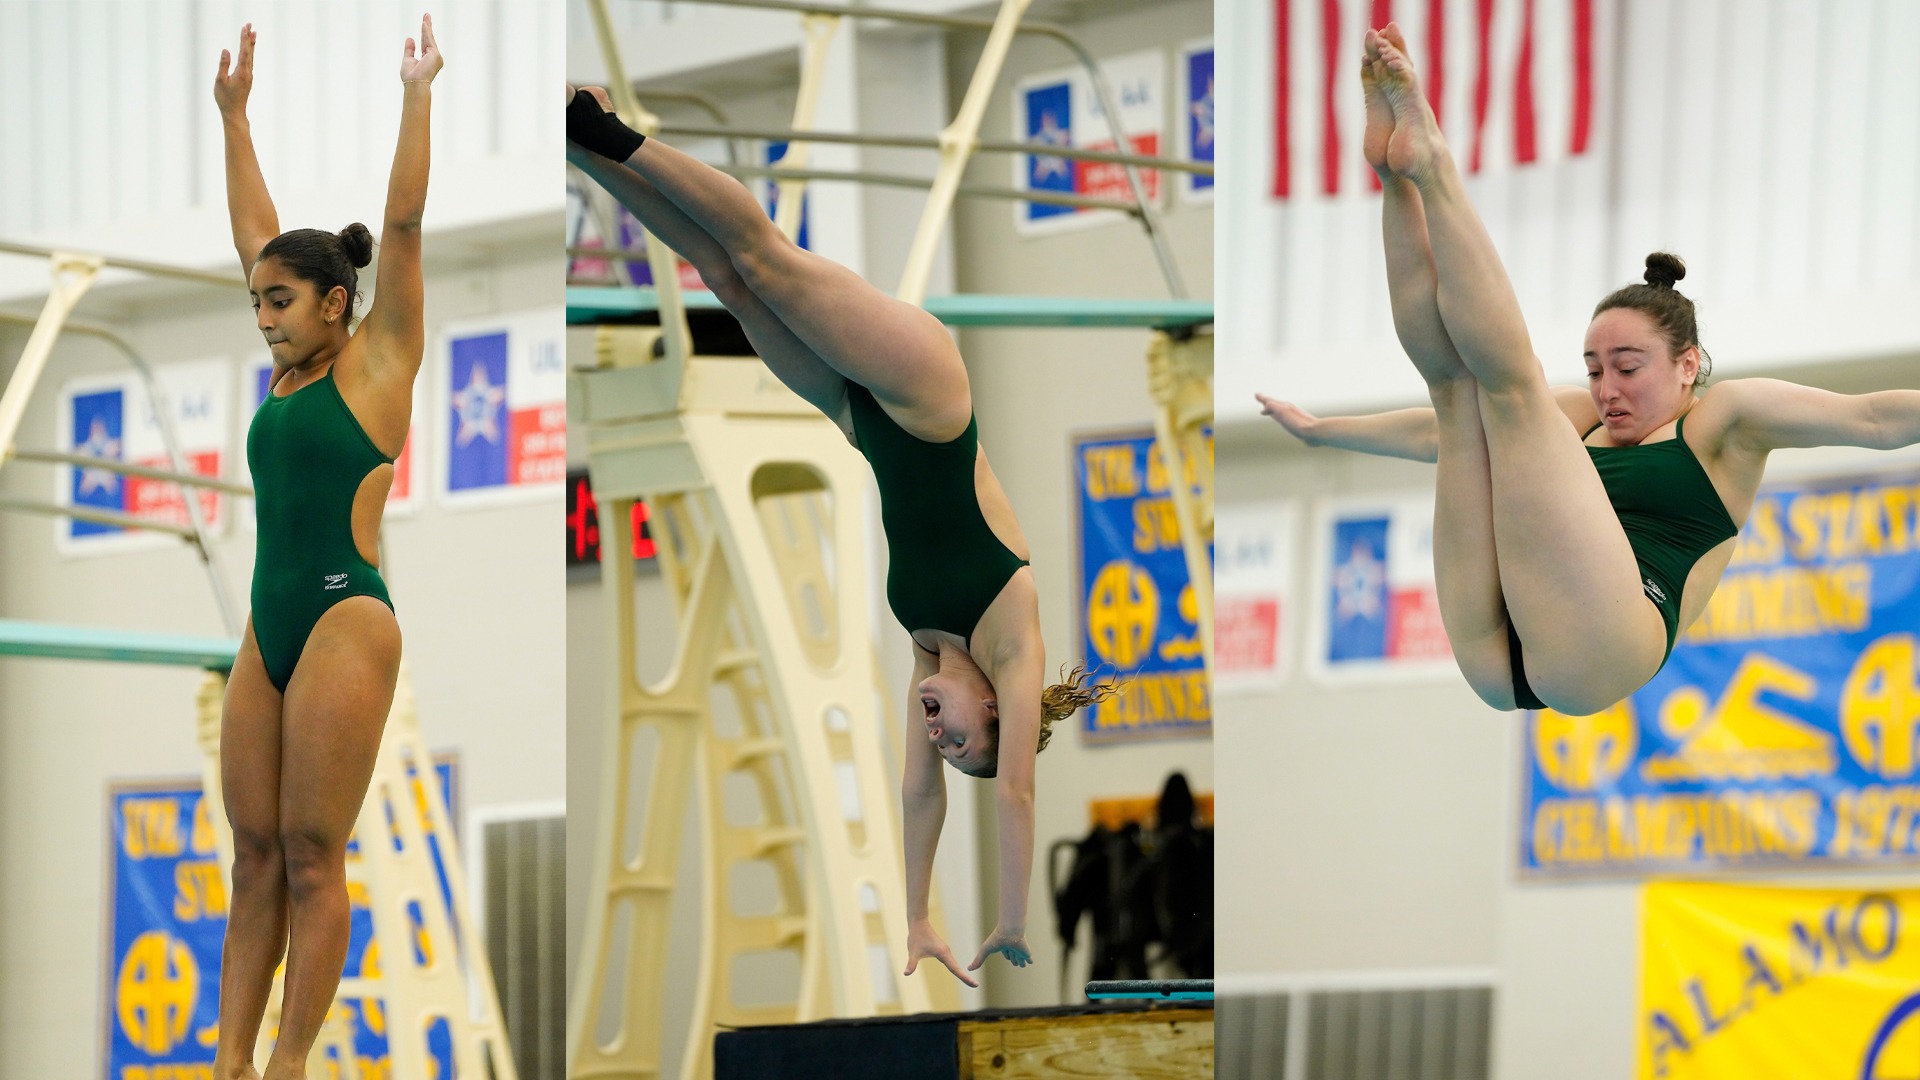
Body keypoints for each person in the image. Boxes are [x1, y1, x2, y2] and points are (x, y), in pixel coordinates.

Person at [564, 87, 1113, 985]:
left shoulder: (929, 652)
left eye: (948, 746)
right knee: (768, 260)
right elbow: (1013, 791)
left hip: (862, 418)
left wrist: (917, 916)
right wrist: (1013, 921)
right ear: (999, 715)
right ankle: (616, 136)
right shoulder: (1013, 644)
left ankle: (590, 159)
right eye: (965, 738)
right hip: (928, 397)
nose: (942, 739)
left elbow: (914, 794)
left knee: (731, 285)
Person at [1259, 24, 1920, 716]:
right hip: (1497, 661)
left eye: (1628, 368)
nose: (1607, 389)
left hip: (1607, 643)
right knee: (1459, 400)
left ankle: (1434, 165)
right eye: (1596, 368)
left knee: (1512, 389)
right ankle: (1396, 179)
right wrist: (1320, 430)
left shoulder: (1724, 423)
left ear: (1687, 364)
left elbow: (1870, 418)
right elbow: (1430, 435)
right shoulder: (1579, 417)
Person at [212, 17, 440, 1079]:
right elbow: (257, 227)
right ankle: (227, 1066)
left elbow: (400, 223)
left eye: (279, 301)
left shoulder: (374, 364)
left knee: (311, 854)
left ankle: (289, 1063)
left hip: (349, 614)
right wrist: (235, 117)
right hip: (272, 621)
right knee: (253, 857)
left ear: (335, 305)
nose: (262, 318)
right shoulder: (287, 368)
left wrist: (418, 92)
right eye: (257, 300)